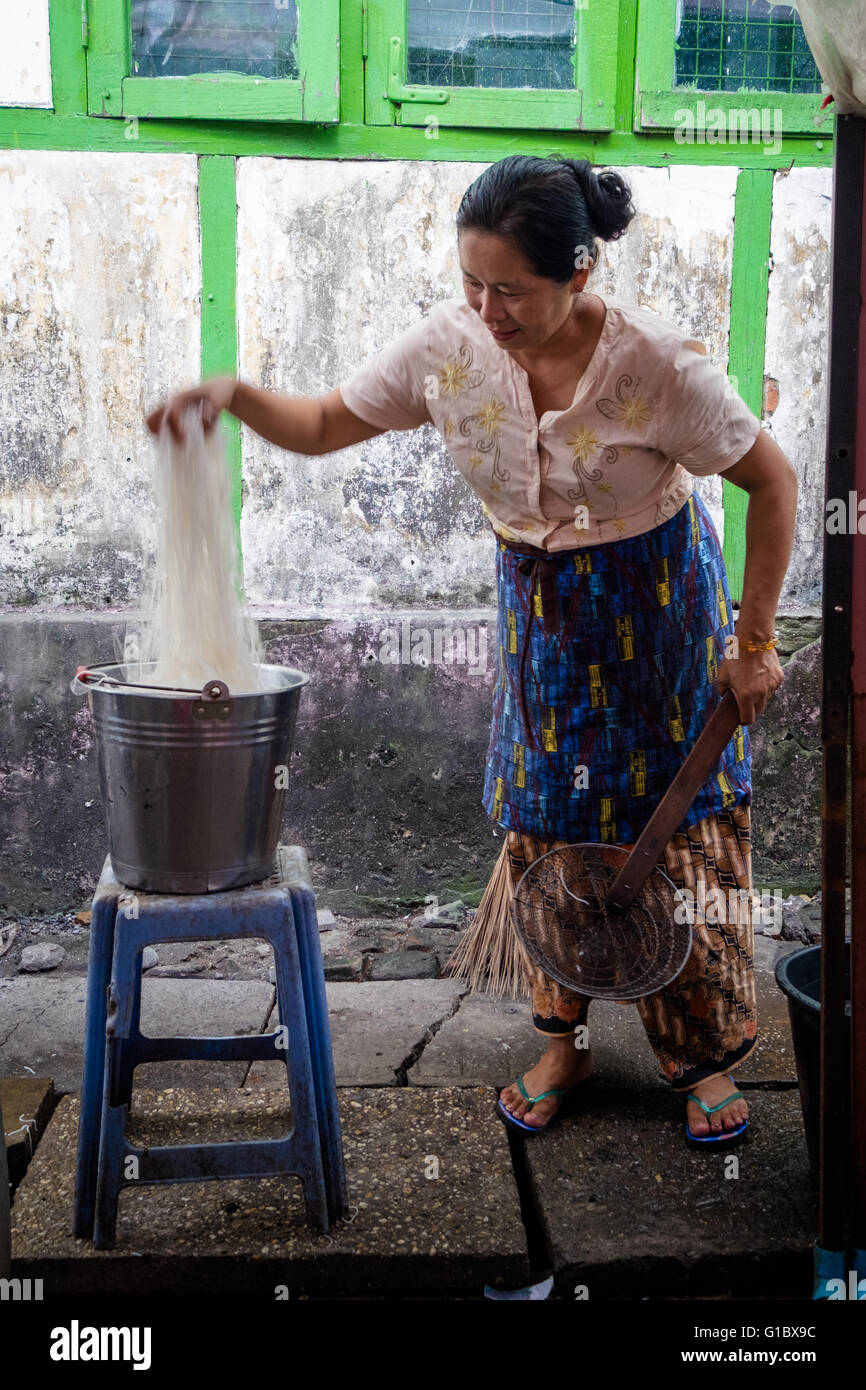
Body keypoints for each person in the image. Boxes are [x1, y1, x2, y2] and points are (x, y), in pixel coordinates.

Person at [147, 155, 797, 1146]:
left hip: (656, 607)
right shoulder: (445, 347)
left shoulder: (655, 364)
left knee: (685, 816)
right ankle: (561, 1038)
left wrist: (752, 644)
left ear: (577, 271)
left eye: (512, 290)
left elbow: (773, 480)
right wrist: (233, 395)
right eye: (471, 283)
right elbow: (324, 423)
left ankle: (698, 1055)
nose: (485, 308)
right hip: (539, 617)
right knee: (546, 818)